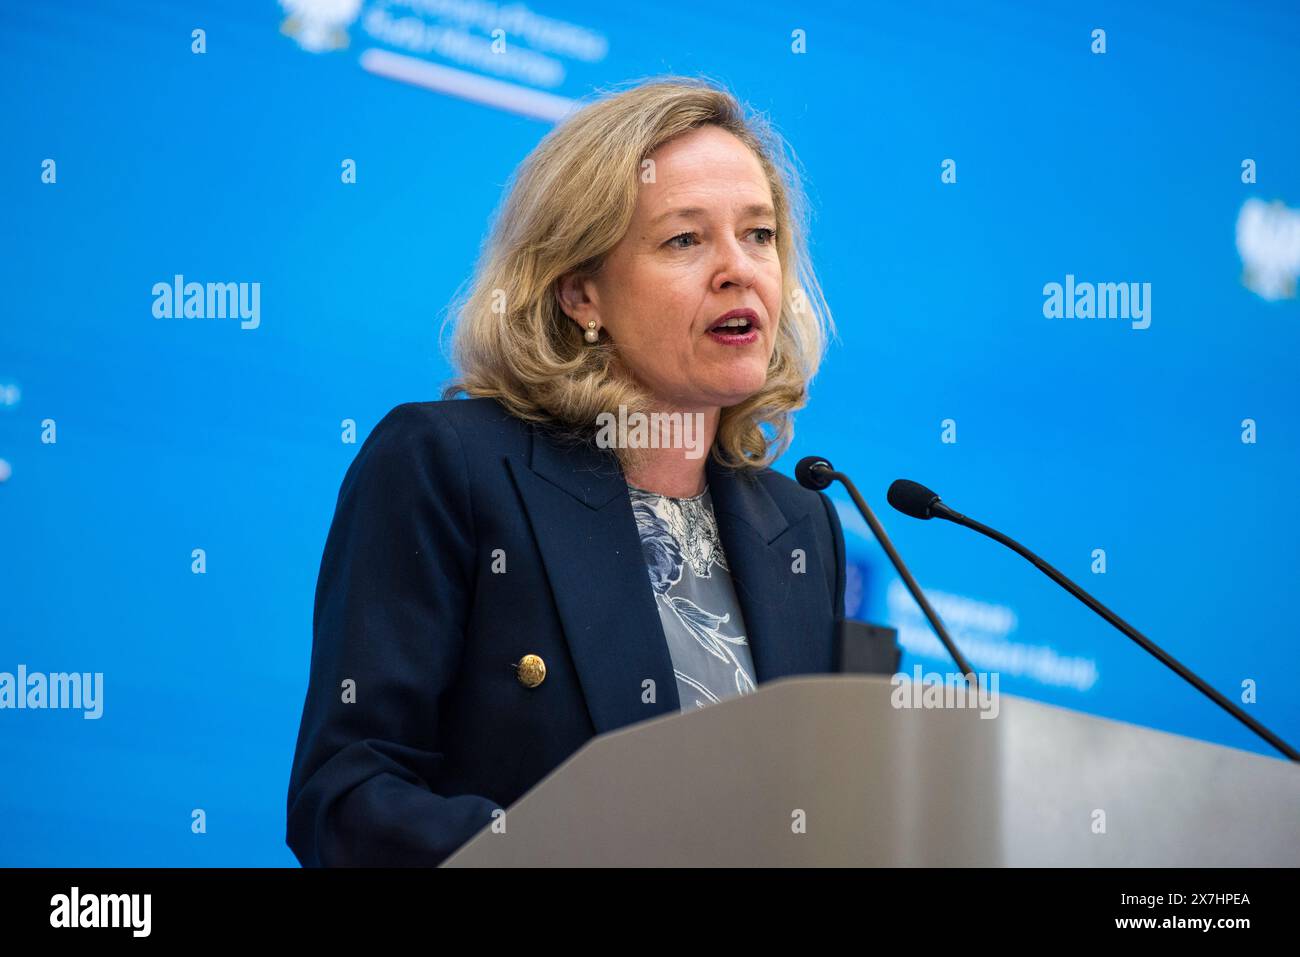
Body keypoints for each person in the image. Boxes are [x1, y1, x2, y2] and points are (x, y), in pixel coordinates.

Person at [286, 75, 844, 867]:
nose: (738, 269)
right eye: (685, 239)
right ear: (582, 292)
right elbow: (346, 796)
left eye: (758, 234)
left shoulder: (800, 523)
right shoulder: (449, 465)